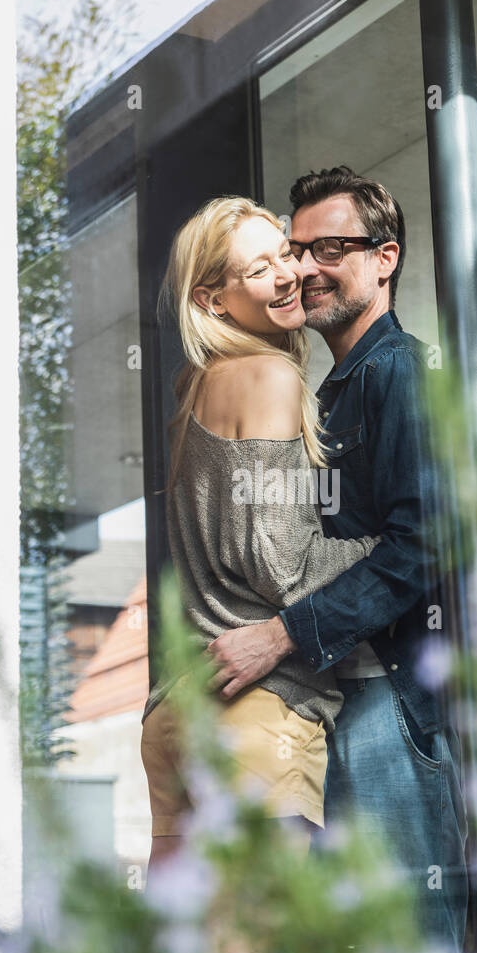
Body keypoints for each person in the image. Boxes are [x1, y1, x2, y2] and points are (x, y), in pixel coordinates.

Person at [207, 167, 469, 952]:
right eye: (295, 250)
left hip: (383, 704)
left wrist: (280, 636)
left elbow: (424, 543)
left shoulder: (399, 372)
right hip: (335, 702)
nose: (304, 267)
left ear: (383, 258)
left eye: (330, 247)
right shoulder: (328, 392)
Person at [140, 195, 379, 869]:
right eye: (257, 270)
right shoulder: (269, 375)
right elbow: (283, 565)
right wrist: (384, 545)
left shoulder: (198, 387)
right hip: (252, 711)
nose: (285, 276)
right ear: (213, 300)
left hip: (176, 712)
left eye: (283, 254)